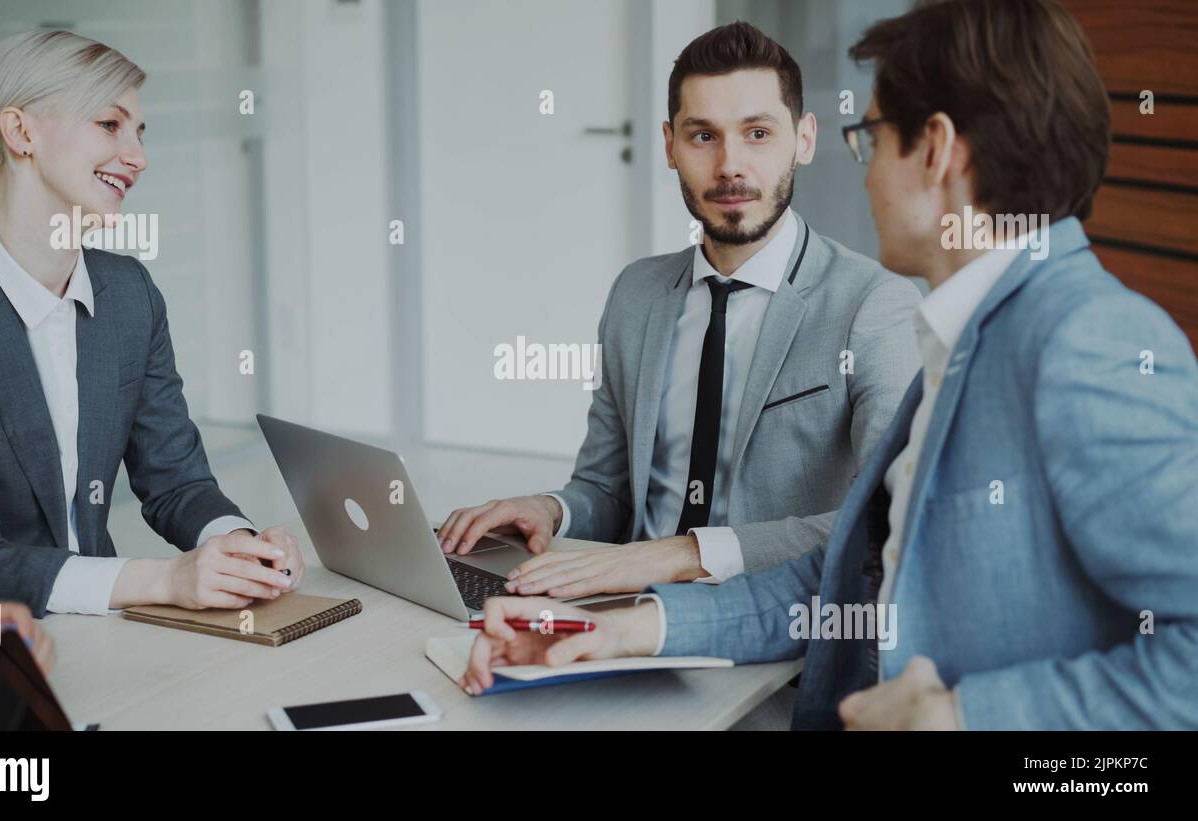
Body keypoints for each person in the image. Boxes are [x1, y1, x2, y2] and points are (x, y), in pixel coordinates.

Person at [463, 0, 1198, 730]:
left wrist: (958, 716)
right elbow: (847, 574)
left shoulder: (1087, 341)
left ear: (936, 149)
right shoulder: (965, 337)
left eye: (871, 139)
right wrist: (617, 630)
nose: (867, 171)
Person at [439, 22, 921, 600]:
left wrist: (684, 555)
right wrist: (550, 510)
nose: (730, 166)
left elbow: (887, 521)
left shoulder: (874, 306)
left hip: (764, 622)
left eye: (758, 133)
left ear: (805, 139)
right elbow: (608, 489)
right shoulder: (636, 294)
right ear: (669, 145)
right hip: (620, 604)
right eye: (703, 136)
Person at [0, 30, 304, 617]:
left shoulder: (128, 295)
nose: (138, 157)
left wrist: (237, 547)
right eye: (110, 126)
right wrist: (165, 582)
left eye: (140, 133)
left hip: (96, 631)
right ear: (21, 133)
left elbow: (177, 481)